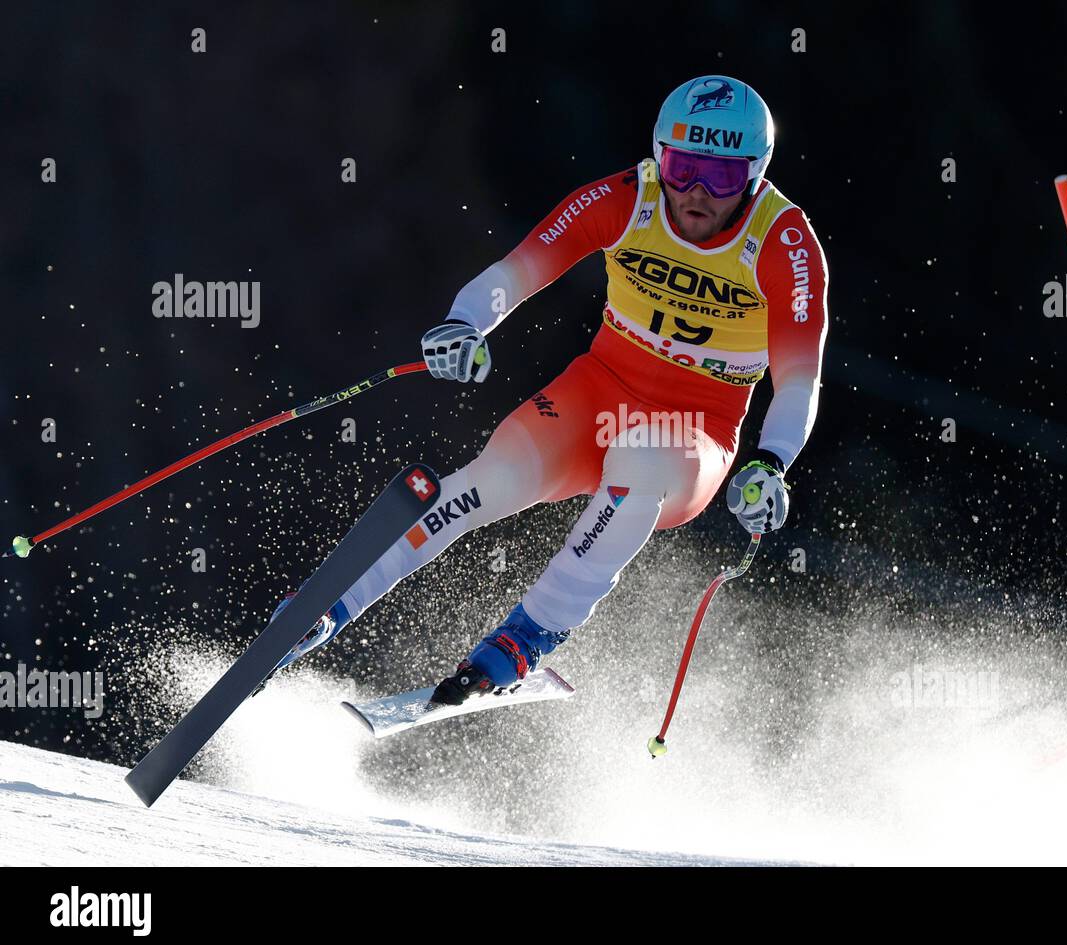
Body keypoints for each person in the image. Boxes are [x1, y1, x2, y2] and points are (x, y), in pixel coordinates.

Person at [264, 75, 829, 705]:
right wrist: (464, 324)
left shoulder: (784, 242)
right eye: (682, 166)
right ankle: (327, 605)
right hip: (598, 393)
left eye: (720, 178)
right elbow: (520, 268)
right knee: (487, 481)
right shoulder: (627, 199)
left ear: (754, 176)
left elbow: (800, 379)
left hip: (695, 431)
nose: (695, 193)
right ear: (658, 155)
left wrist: (771, 462)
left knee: (641, 457)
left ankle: (528, 635)